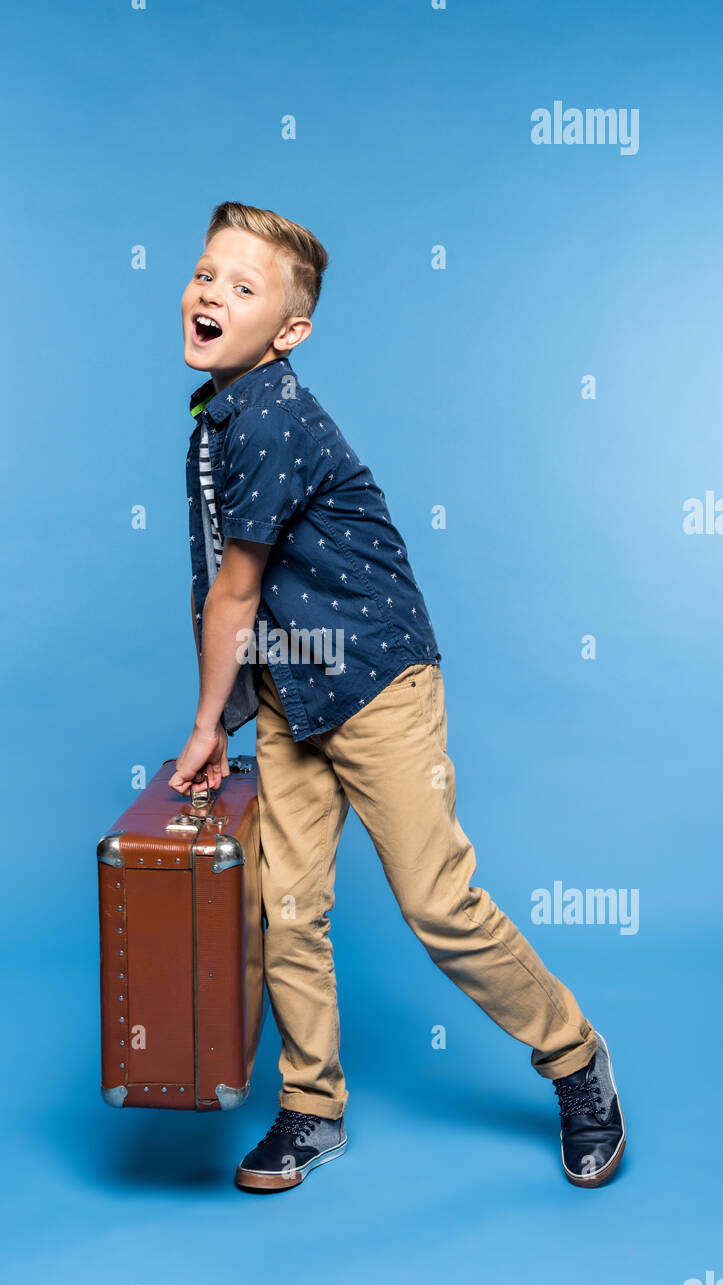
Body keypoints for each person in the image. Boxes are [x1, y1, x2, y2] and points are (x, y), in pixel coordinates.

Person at [168, 201, 626, 1192]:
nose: (212, 293)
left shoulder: (274, 415)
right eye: (208, 273)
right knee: (286, 907)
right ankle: (311, 1108)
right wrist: (249, 705)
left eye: (243, 288)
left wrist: (207, 726)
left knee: (438, 902)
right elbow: (235, 593)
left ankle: (575, 1056)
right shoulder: (220, 413)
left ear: (290, 332)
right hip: (296, 683)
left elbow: (236, 591)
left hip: (376, 680)